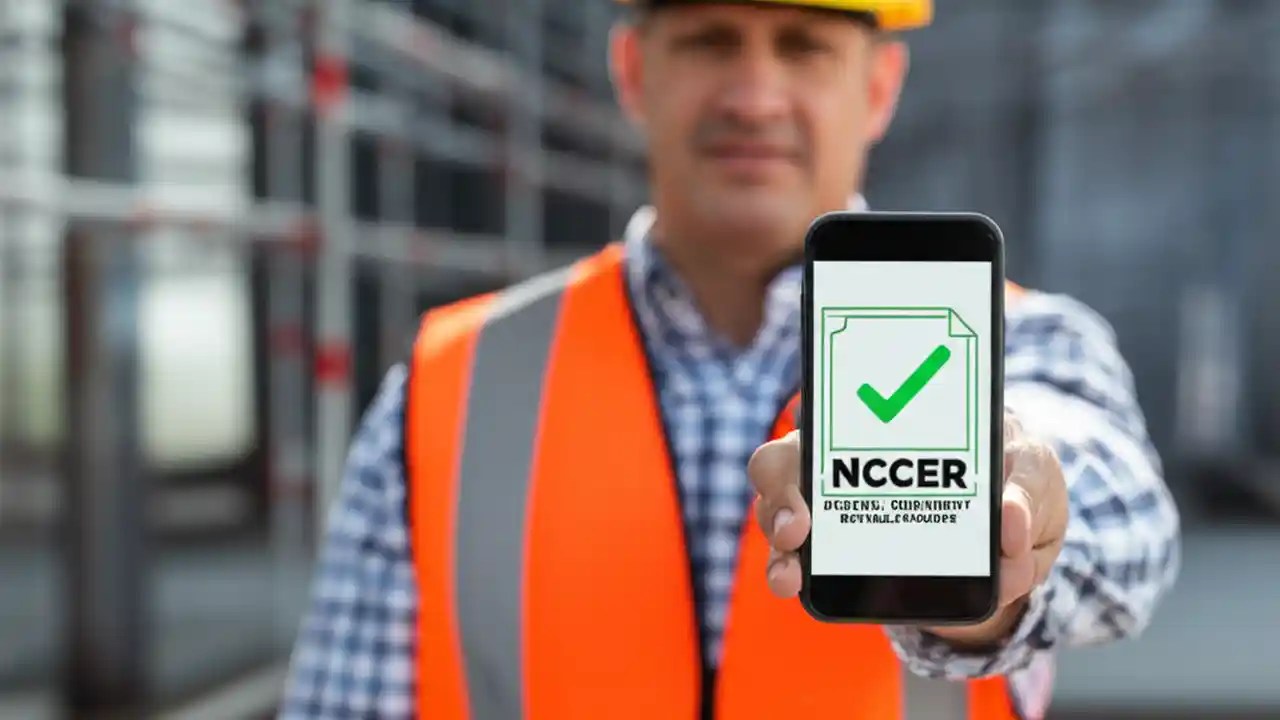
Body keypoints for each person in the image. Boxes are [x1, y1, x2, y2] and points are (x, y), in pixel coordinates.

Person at [279, 0, 1181, 717]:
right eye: (710, 41)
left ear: (878, 88)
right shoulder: (456, 385)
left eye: (803, 46)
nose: (754, 97)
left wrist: (1010, 525)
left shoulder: (1015, 344)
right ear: (634, 71)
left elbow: (1119, 519)